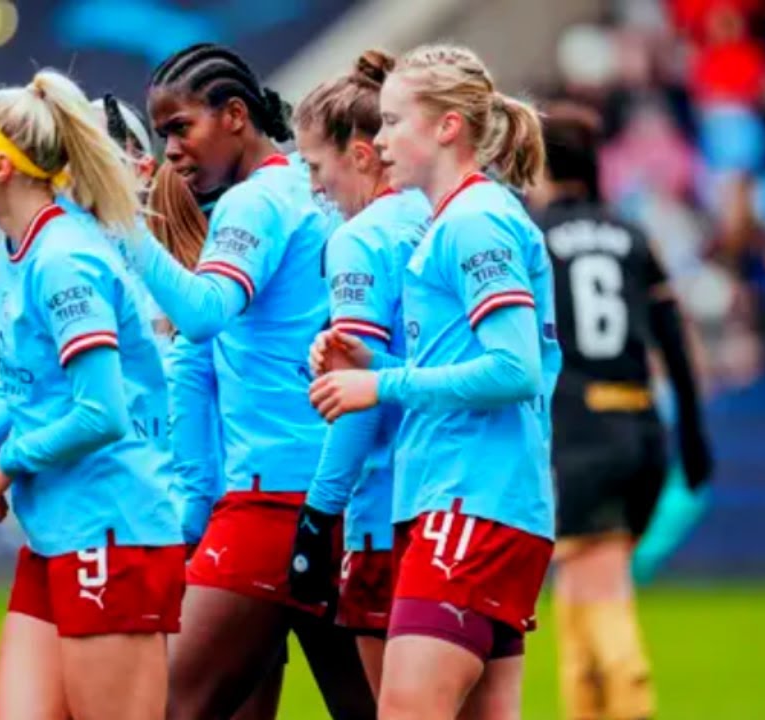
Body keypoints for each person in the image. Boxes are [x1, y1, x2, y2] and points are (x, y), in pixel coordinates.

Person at [308, 44, 560, 720]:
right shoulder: (456, 220)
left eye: (393, 122)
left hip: (470, 502)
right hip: (475, 501)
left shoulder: (475, 221)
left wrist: (380, 390)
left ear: (448, 126)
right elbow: (468, 366)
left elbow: (515, 370)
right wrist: (369, 368)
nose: (380, 139)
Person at [133, 42, 376, 720]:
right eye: (163, 134)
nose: (173, 150)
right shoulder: (314, 183)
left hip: (271, 503)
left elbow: (203, 317)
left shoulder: (254, 204)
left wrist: (120, 225)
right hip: (336, 497)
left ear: (235, 115)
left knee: (169, 707)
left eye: (181, 127)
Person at [0, 69, 184, 720]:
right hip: (58, 534)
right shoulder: (25, 248)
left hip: (111, 530)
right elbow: (20, 379)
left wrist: (13, 459)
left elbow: (102, 412)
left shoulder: (64, 260)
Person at [530, 108, 713, 720]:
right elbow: (675, 344)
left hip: (578, 435)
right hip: (641, 431)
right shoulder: (634, 237)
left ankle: (630, 704)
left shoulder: (534, 238)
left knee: (597, 592)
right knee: (581, 596)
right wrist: (693, 437)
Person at [284, 49, 433, 696]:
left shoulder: (362, 238)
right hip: (456, 496)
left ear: (363, 155)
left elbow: (356, 394)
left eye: (316, 167)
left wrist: (320, 514)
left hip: (382, 508)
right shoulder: (444, 215)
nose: (315, 187)